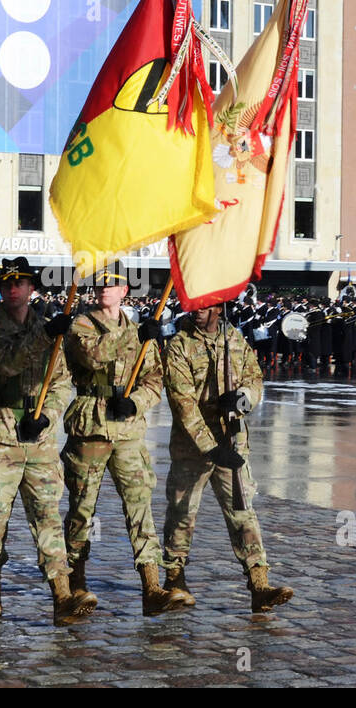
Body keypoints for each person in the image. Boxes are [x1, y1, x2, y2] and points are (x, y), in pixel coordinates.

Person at [0, 257, 95, 626]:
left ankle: (61, 593)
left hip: (38, 436)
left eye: (21, 282)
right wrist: (45, 335)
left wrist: (48, 416)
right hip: (1, 432)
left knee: (47, 515)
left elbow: (59, 382)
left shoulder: (48, 328)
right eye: (7, 283)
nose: (14, 289)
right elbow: (4, 364)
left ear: (31, 288)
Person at [61, 262, 185, 616]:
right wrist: (140, 335)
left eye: (111, 286)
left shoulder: (136, 330)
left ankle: (152, 585)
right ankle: (76, 580)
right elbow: (92, 354)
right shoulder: (82, 324)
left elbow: (153, 379)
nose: (103, 290)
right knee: (82, 508)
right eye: (99, 286)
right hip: (91, 425)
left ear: (124, 291)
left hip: (127, 429)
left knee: (139, 507)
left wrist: (136, 403)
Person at [161, 300, 293, 613]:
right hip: (193, 447)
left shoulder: (234, 338)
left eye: (204, 305)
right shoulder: (179, 345)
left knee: (243, 510)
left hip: (232, 439)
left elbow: (255, 378)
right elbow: (183, 404)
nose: (196, 310)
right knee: (182, 512)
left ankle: (258, 583)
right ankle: (174, 578)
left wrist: (243, 398)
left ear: (219, 307)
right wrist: (211, 447)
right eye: (193, 304)